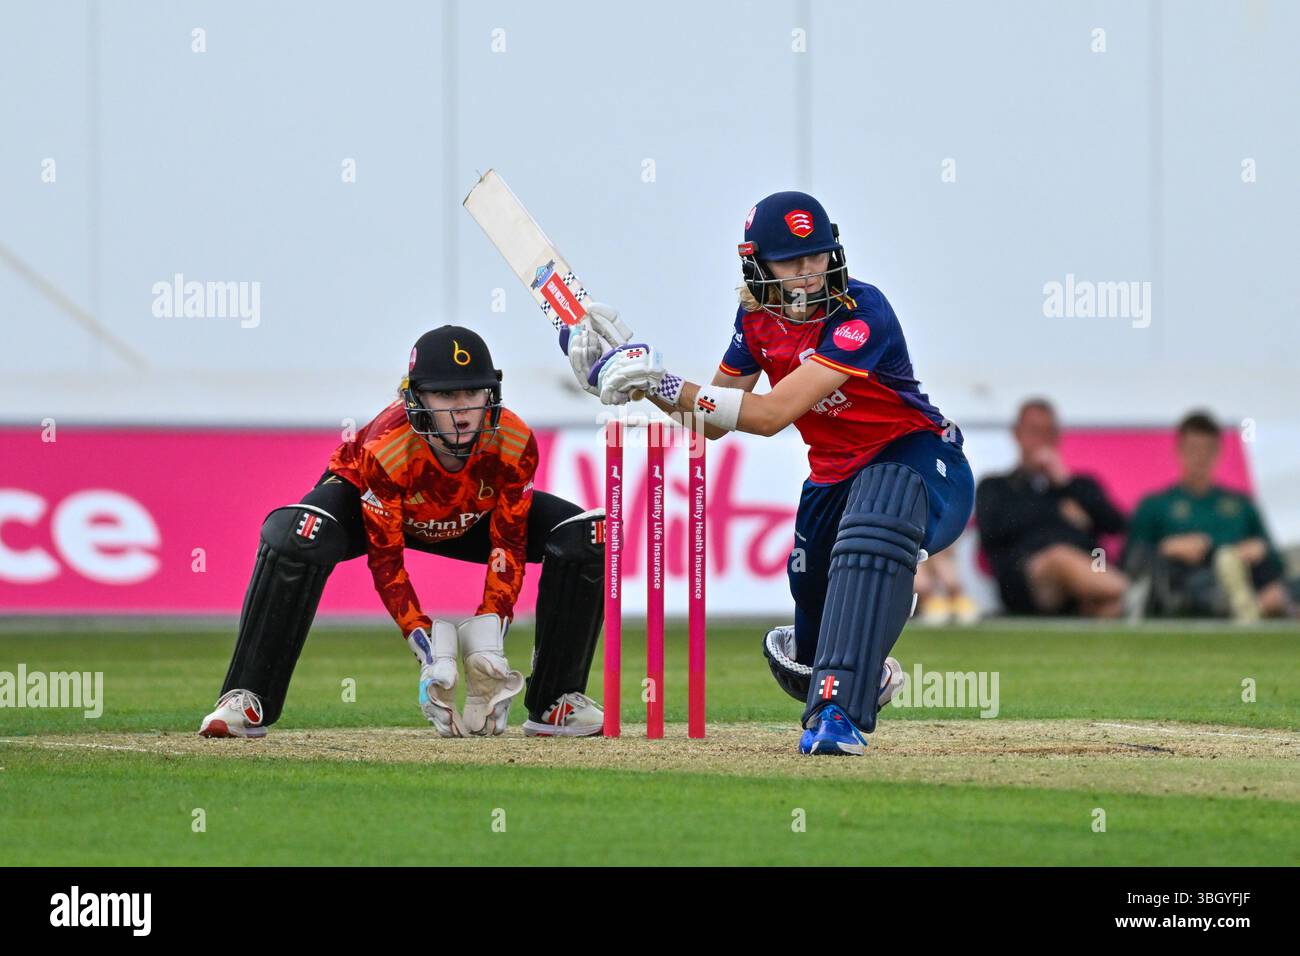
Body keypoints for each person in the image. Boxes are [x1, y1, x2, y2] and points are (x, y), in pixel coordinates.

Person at [562, 190, 974, 755]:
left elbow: (774, 414)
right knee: (806, 650)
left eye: (818, 256)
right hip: (832, 479)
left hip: (921, 461)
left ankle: (838, 714)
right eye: (791, 261)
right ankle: (861, 669)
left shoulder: (861, 311)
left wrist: (656, 379)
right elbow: (710, 420)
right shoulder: (755, 320)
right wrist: (632, 377)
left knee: (875, 519)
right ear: (758, 264)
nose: (808, 272)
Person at [199, 326, 606, 739]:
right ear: (417, 398)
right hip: (369, 506)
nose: (461, 410)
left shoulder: (514, 442)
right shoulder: (388, 447)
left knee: (589, 534)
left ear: (491, 393)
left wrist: (490, 633)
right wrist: (425, 643)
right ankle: (246, 697)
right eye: (445, 395)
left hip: (469, 514)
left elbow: (509, 542)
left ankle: (556, 702)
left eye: (472, 393)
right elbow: (387, 559)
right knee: (297, 533)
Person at [1125, 411, 1293, 620]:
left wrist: (1258, 550)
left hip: (1246, 579)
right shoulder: (1155, 505)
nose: (1200, 457)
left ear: (1219, 452)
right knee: (1189, 581)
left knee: (1278, 588)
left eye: (1208, 450)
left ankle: (1246, 603)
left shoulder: (1241, 505)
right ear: (1179, 450)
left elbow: (1277, 561)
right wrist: (1166, 549)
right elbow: (1128, 561)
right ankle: (1235, 604)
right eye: (1194, 449)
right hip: (1181, 586)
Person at [975, 399, 1128, 617]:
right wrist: (1059, 513)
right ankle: (1131, 591)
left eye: (1049, 432)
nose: (1041, 441)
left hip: (1092, 567)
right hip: (1024, 577)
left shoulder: (1081, 485)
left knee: (1108, 604)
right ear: (1017, 434)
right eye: (1034, 431)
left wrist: (1066, 483)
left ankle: (1112, 601)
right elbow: (992, 532)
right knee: (1060, 557)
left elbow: (1115, 524)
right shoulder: (995, 486)